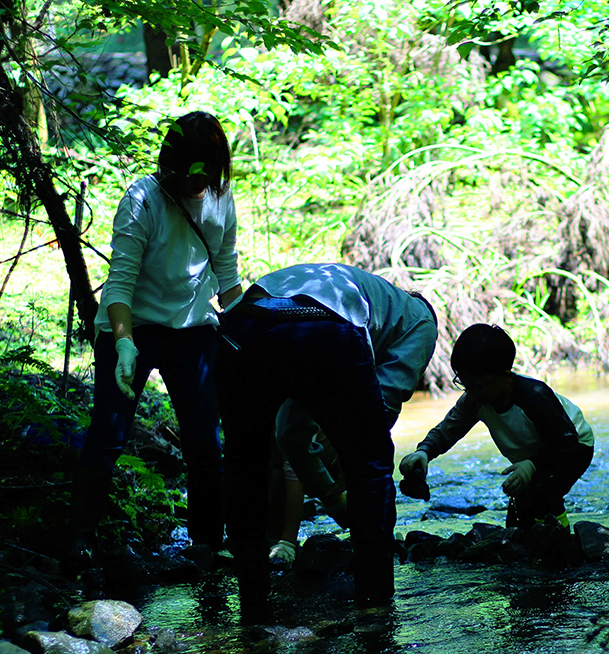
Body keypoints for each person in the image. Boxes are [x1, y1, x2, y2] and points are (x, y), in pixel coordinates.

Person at [65, 111, 241, 573]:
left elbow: (228, 274)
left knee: (206, 443)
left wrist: (247, 329)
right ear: (170, 165)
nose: (198, 185)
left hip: (194, 332)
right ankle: (79, 542)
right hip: (133, 329)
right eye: (190, 175)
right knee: (108, 436)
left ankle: (208, 545)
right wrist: (123, 344)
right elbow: (119, 286)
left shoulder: (222, 198)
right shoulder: (142, 199)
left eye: (206, 176)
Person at [217, 262, 437, 610]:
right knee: (372, 468)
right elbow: (381, 409)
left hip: (243, 323)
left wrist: (333, 499)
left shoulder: (362, 289)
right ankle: (375, 608)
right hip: (327, 326)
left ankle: (252, 608)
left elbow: (290, 434)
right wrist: (346, 493)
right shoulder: (421, 319)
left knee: (244, 467)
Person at [398, 324, 593, 531]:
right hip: (536, 455)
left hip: (573, 446)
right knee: (518, 518)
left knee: (543, 492)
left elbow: (566, 441)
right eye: (464, 384)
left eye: (478, 386)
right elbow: (448, 430)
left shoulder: (535, 397)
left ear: (506, 378)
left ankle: (561, 542)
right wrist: (424, 451)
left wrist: (532, 465)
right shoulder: (475, 399)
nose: (471, 393)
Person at [267, 400, 349, 567]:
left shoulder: (295, 409)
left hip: (334, 463)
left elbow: (295, 472)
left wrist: (287, 542)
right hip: (301, 455)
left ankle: (372, 529)